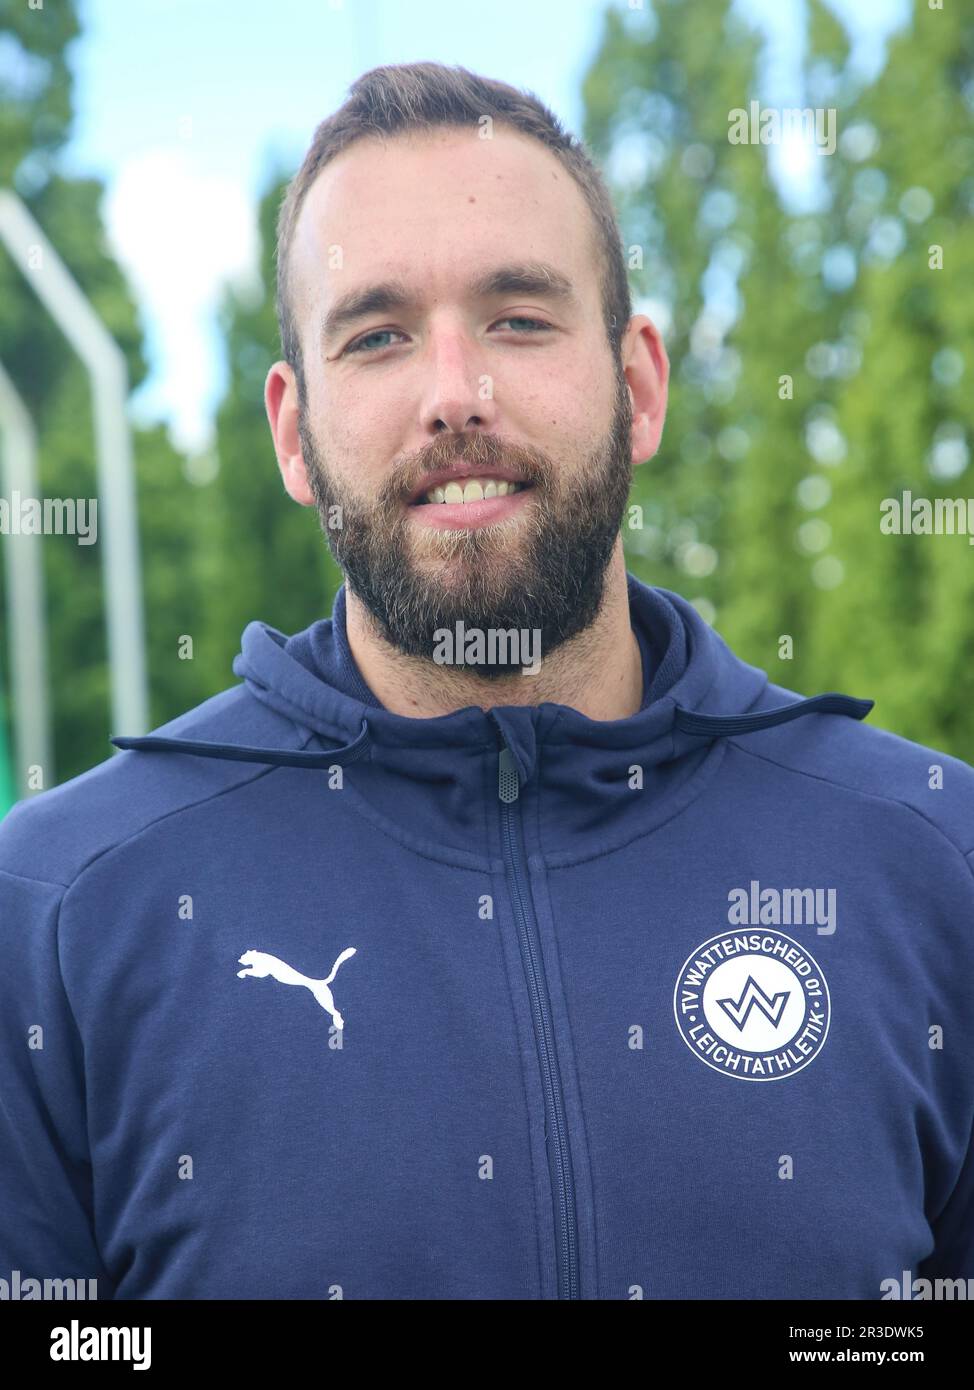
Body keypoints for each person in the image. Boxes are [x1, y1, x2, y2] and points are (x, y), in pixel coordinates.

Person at [1, 61, 973, 1302]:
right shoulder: (55, 915)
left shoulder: (931, 861)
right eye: (378, 335)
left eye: (518, 318)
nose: (455, 394)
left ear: (637, 385)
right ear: (293, 434)